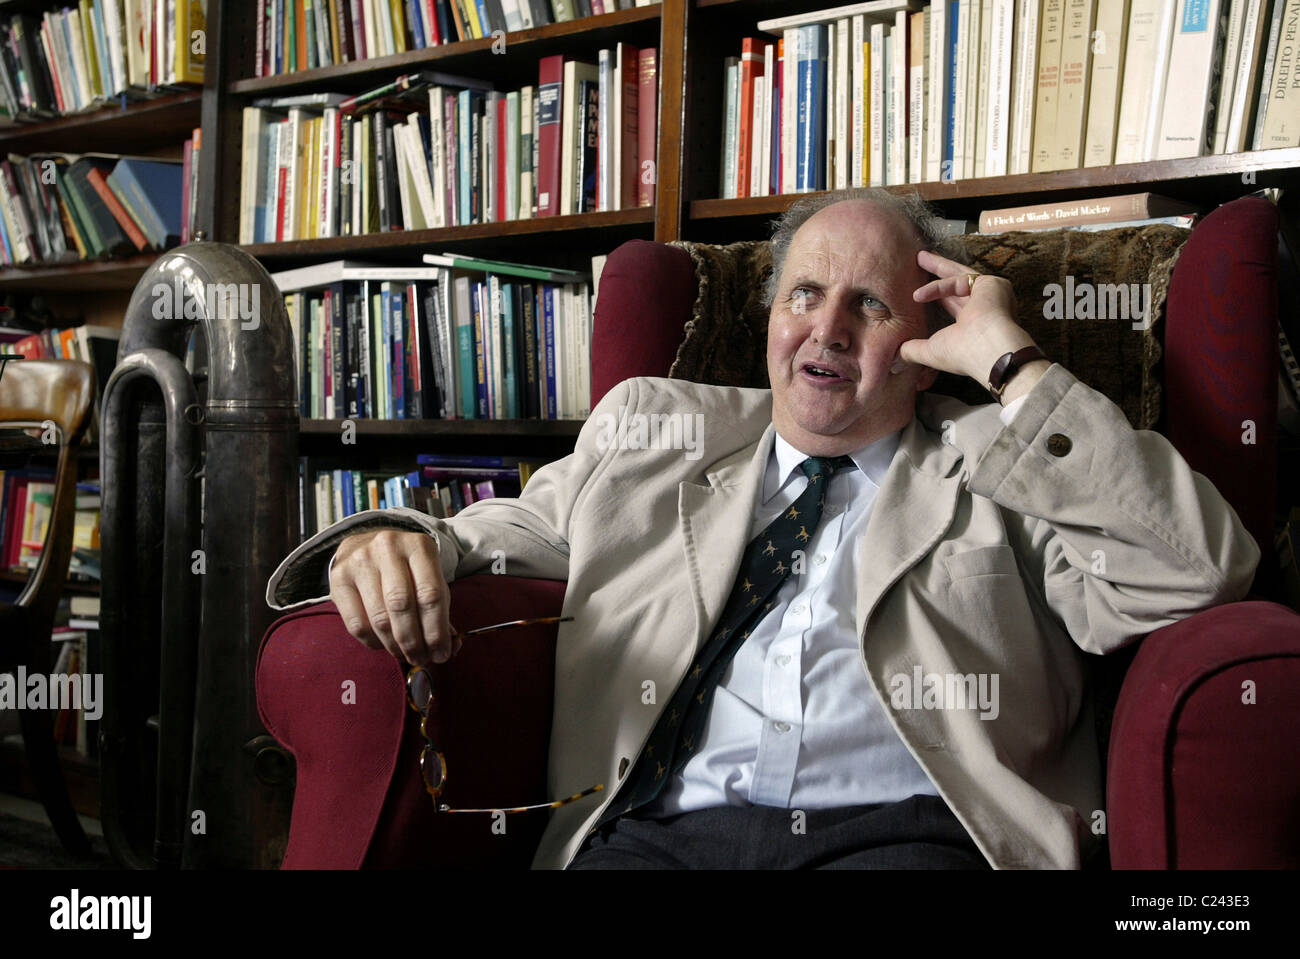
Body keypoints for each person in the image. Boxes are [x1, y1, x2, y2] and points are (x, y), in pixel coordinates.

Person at [265, 188, 1259, 869]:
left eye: (869, 304)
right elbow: (514, 527)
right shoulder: (656, 431)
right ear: (769, 317)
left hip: (907, 839)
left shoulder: (1004, 462)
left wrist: (1011, 362)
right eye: (803, 295)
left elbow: (1193, 569)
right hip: (657, 833)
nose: (825, 330)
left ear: (923, 349)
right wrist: (405, 540)